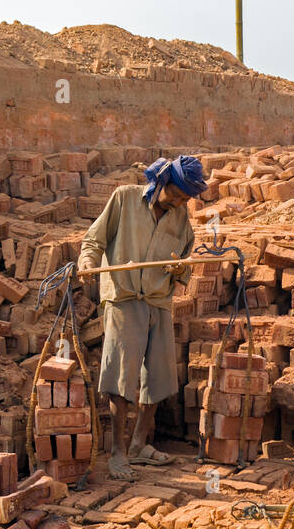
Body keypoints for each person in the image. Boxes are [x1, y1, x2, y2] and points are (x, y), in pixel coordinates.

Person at [78, 155, 208, 479]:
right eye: (176, 194)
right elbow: (94, 238)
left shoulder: (180, 218)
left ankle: (139, 445)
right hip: (124, 299)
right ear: (162, 181)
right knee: (123, 378)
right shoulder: (124, 199)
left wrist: (180, 269)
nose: (179, 202)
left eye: (185, 198)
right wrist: (87, 262)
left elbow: (185, 257)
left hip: (158, 301)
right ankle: (117, 453)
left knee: (158, 377)